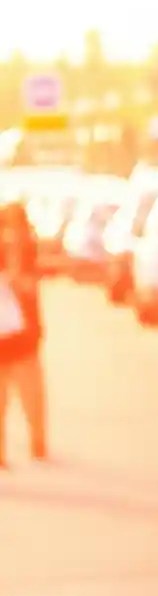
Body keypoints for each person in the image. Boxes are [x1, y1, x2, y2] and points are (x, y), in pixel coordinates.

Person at [0, 200, 45, 466]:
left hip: (25, 339)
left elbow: (32, 288)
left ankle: (38, 442)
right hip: (5, 339)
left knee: (33, 397)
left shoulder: (29, 251)